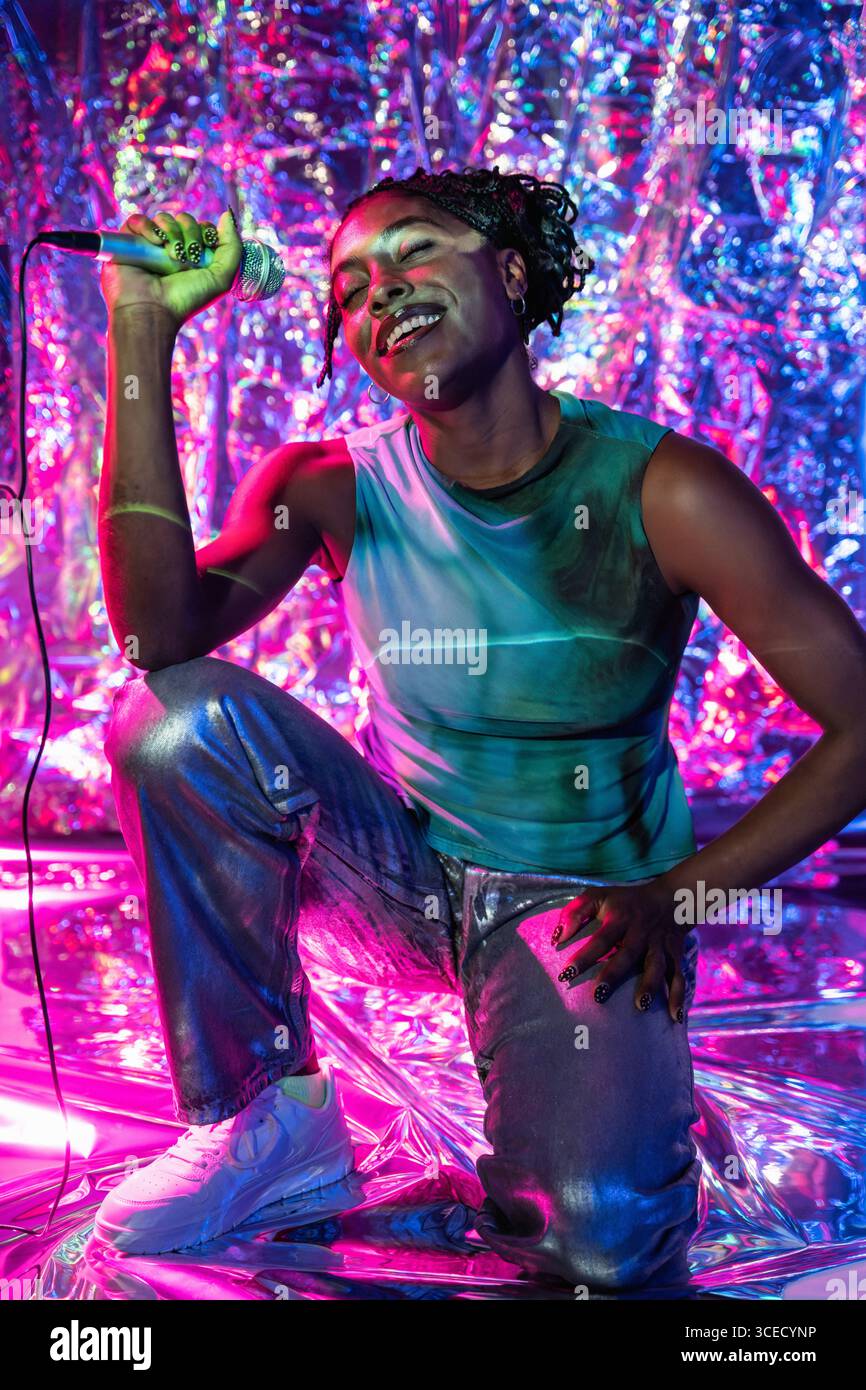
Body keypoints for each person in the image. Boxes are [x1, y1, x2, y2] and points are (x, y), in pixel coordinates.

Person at [92, 165, 866, 1294]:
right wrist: (141, 332)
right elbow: (155, 631)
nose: (379, 292)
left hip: (583, 910)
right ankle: (269, 1121)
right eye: (349, 288)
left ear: (508, 273)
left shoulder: (663, 488)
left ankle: (601, 1119)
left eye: (413, 252)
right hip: (398, 880)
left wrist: (679, 894)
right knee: (170, 721)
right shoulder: (329, 483)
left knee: (598, 1251)